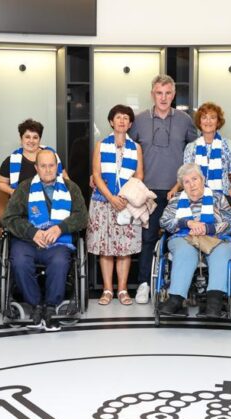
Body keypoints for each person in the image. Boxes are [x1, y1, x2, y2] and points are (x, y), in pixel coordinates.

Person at [128, 74, 197, 304]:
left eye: (168, 93)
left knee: (180, 238)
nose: (164, 97)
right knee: (148, 238)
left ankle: (177, 287)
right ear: (152, 94)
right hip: (148, 192)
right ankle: (145, 284)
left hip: (179, 191)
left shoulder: (185, 120)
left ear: (174, 95)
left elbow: (194, 152)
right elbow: (127, 152)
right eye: (159, 93)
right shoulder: (139, 121)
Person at [2, 149, 88, 331]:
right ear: (36, 168)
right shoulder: (24, 188)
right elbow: (9, 218)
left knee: (59, 261)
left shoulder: (71, 188)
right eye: (43, 166)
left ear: (57, 167)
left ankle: (50, 305)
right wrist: (32, 232)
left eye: (51, 165)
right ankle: (35, 305)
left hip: (58, 242)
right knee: (18, 260)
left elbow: (82, 217)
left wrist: (60, 228)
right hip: (29, 241)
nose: (48, 170)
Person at [158, 164, 231, 317]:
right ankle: (175, 300)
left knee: (221, 252)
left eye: (195, 179)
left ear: (202, 179)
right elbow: (164, 222)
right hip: (183, 237)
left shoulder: (218, 198)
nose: (192, 184)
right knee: (185, 251)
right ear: (182, 185)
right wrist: (186, 223)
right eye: (186, 182)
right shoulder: (175, 200)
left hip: (215, 238)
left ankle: (214, 303)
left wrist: (208, 228)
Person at [88, 105, 144, 306]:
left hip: (127, 203)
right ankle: (107, 290)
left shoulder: (135, 147)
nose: (122, 121)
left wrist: (125, 198)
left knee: (124, 248)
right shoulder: (101, 144)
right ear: (111, 121)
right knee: (106, 248)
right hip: (103, 203)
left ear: (130, 124)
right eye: (118, 117)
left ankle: (122, 289)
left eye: (126, 118)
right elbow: (96, 174)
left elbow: (139, 176)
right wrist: (111, 197)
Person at [173, 102, 231, 200]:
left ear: (218, 122)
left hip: (223, 198)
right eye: (204, 117)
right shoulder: (191, 147)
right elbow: (186, 174)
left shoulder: (229, 145)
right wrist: (176, 188)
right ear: (199, 122)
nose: (208, 121)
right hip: (197, 199)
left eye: (213, 117)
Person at [0, 118, 68, 196]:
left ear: (39, 140)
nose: (31, 141)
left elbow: (66, 179)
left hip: (51, 203)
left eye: (35, 137)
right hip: (22, 205)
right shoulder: (10, 161)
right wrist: (13, 192)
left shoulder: (51, 156)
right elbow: (1, 182)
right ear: (21, 139)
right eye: (27, 137)